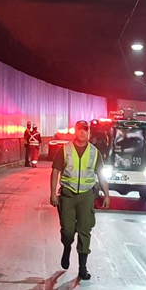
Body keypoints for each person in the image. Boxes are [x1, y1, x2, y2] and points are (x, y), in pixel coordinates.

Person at [50, 120, 109, 280]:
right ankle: (67, 247)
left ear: (88, 132)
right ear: (75, 131)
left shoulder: (93, 152)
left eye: (85, 130)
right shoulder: (65, 150)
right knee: (68, 230)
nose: (82, 133)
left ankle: (82, 268)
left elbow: (100, 174)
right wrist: (53, 193)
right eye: (79, 130)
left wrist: (106, 193)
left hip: (86, 196)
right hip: (68, 195)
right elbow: (55, 171)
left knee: (85, 230)